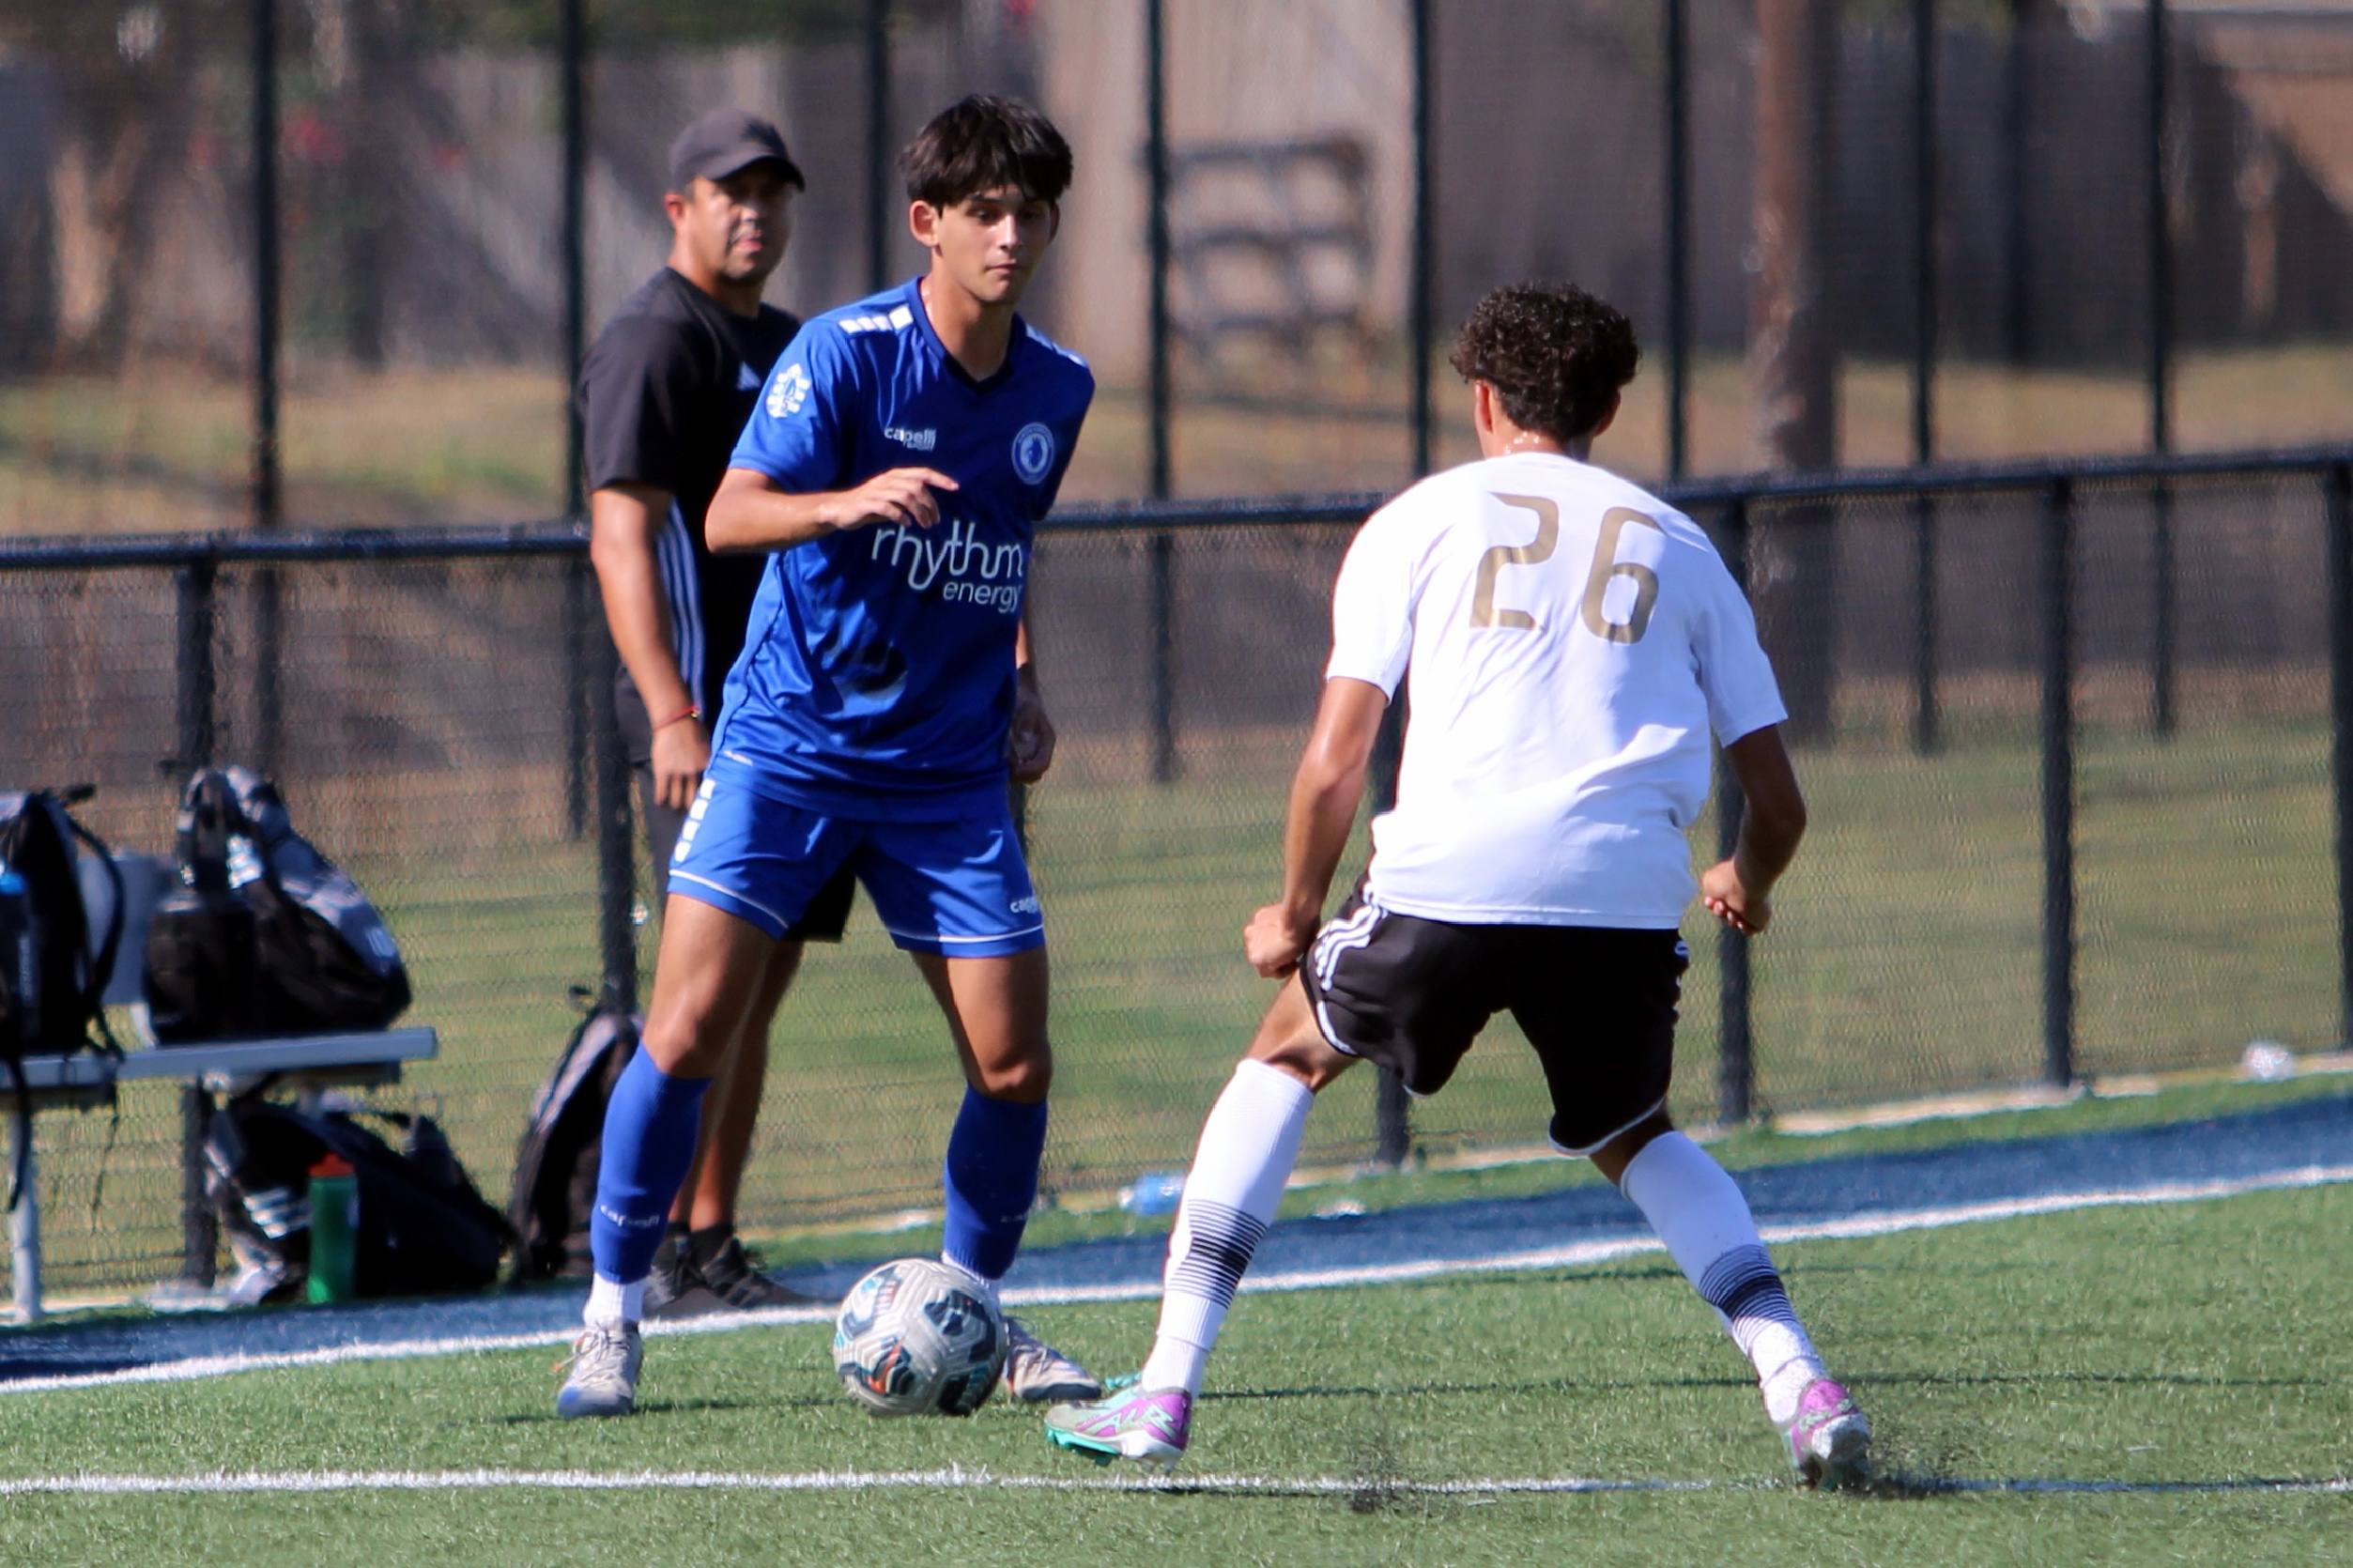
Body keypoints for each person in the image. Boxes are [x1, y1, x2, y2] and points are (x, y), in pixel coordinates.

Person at [1043, 283, 1871, 1489]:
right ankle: (1799, 1379)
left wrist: (1293, 911)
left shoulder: (1415, 522)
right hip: (1620, 892)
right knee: (1633, 1131)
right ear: (1607, 408)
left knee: (1285, 1055)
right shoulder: (1683, 547)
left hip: (1448, 880)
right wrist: (1745, 875)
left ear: (1482, 400)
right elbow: (1780, 802)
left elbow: (1335, 758)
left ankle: (1164, 1383)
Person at [559, 96, 1103, 1419]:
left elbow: (1000, 550)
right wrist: (846, 502)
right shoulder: (844, 354)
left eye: (1032, 213)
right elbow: (729, 514)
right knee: (687, 1030)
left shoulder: (1060, 385)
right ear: (928, 223)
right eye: (985, 211)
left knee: (1015, 1063)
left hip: (948, 774)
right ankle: (610, 1314)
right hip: (788, 748)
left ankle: (975, 1312)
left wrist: (1025, 684)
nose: (1011, 235)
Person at [580, 107, 857, 1314]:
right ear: (678, 208)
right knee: (698, 1000)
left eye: (773, 190)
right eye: (730, 191)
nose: (755, 211)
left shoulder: (791, 343)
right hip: (708, 727)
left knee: (756, 988)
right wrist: (670, 710)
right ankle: (637, 1257)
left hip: (799, 720)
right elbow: (621, 538)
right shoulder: (658, 338)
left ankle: (709, 1244)